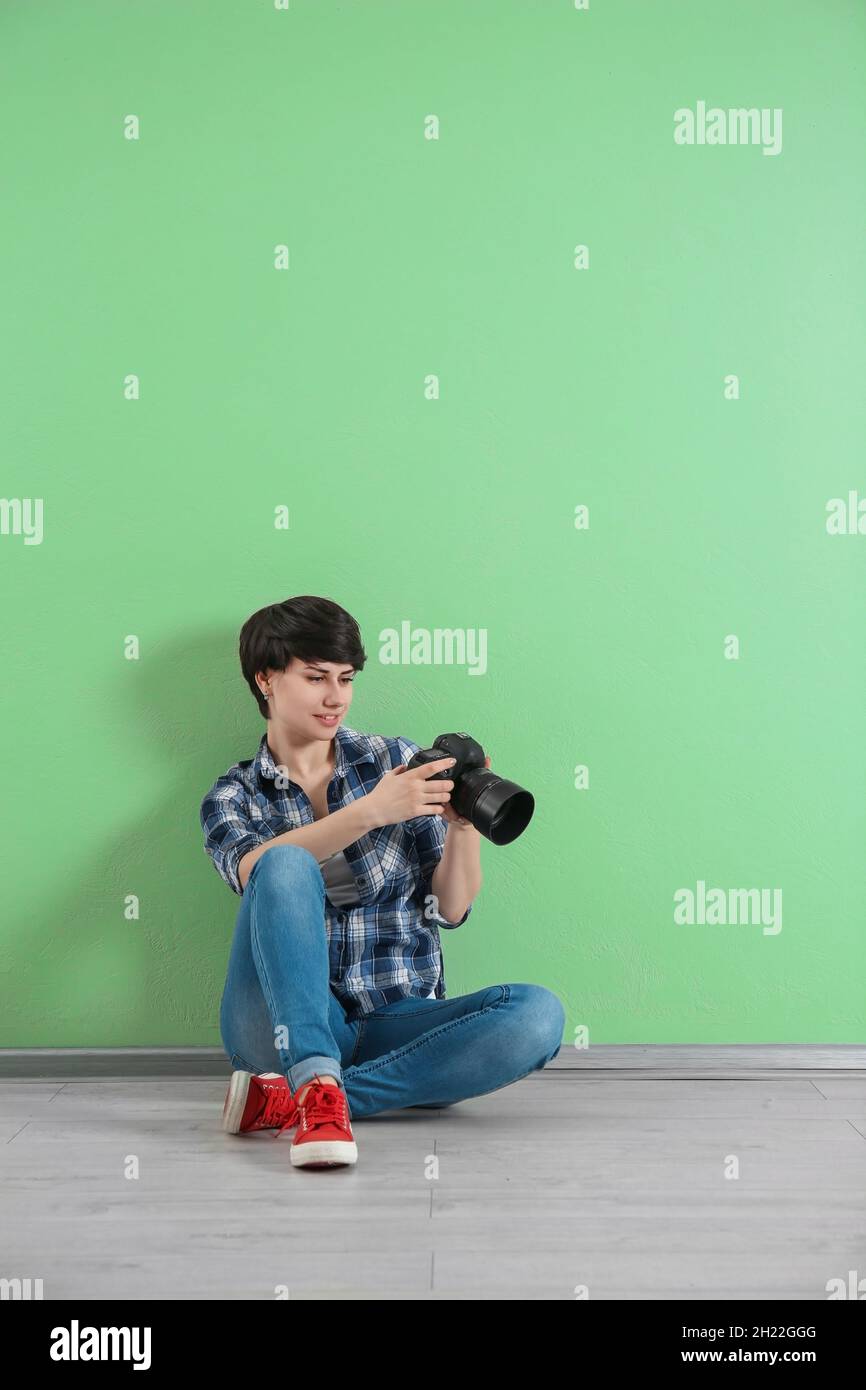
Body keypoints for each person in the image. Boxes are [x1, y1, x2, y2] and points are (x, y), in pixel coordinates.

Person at [199, 594, 565, 1170]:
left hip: (395, 1018)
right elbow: (255, 873)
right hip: (276, 1024)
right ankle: (314, 1075)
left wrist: (462, 826)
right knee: (287, 862)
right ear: (266, 679)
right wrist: (371, 811)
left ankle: (311, 1100)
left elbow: (451, 908)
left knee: (538, 1013)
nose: (335, 697)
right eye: (316, 677)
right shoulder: (233, 796)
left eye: (346, 678)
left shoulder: (390, 760)